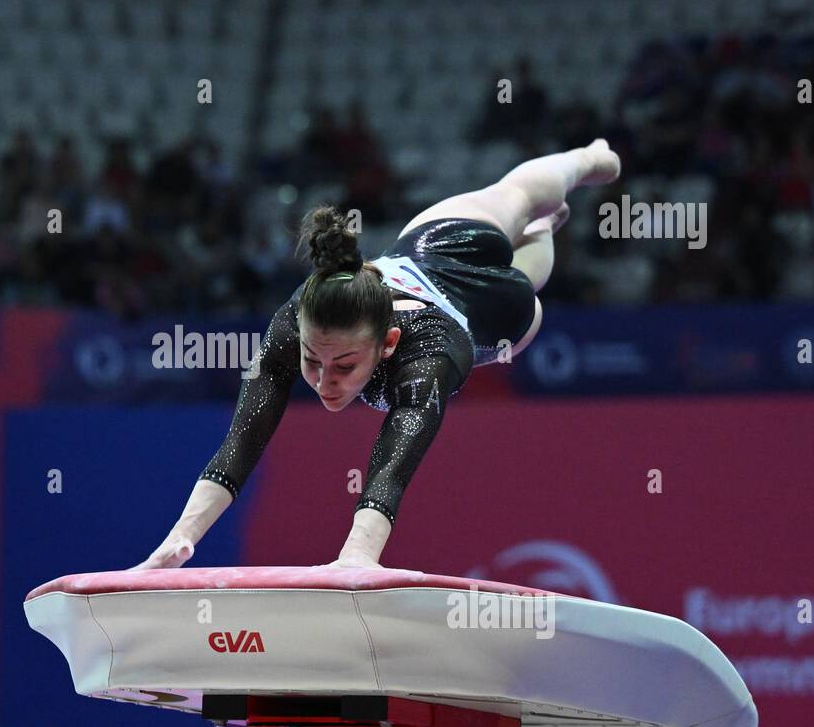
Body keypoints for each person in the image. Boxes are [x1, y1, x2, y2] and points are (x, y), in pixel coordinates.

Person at [135, 139, 621, 570]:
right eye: (312, 362)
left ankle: (584, 159)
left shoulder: (428, 356)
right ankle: (545, 227)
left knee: (521, 202)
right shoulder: (295, 322)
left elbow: (393, 464)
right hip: (424, 263)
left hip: (492, 309)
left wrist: (357, 556)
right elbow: (242, 440)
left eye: (345, 366)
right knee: (530, 227)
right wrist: (179, 538)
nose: (325, 381)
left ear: (387, 344)